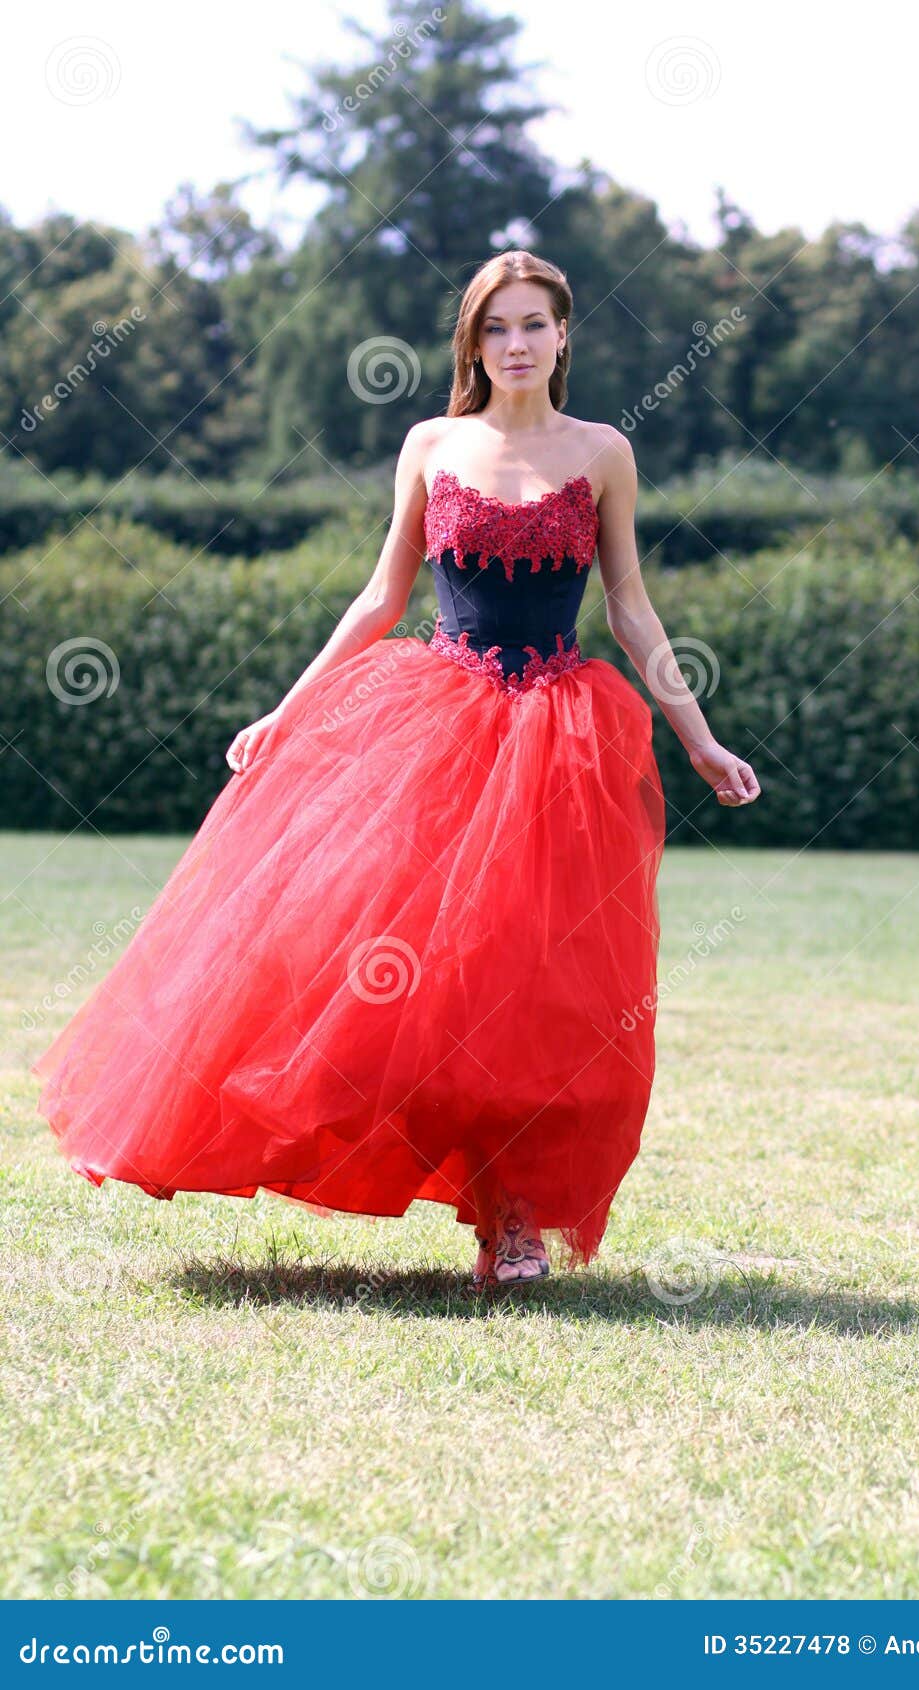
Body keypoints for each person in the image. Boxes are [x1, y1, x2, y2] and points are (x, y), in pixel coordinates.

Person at [31, 249, 760, 1292]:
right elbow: (380, 597)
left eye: (533, 324)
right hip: (432, 728)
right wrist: (287, 709)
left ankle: (510, 1221)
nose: (515, 343)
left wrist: (696, 733)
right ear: (473, 343)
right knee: (369, 969)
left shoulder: (602, 451)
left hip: (558, 741)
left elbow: (631, 605)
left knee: (530, 985)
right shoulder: (431, 444)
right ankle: (236, 1133)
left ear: (563, 337)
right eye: (496, 327)